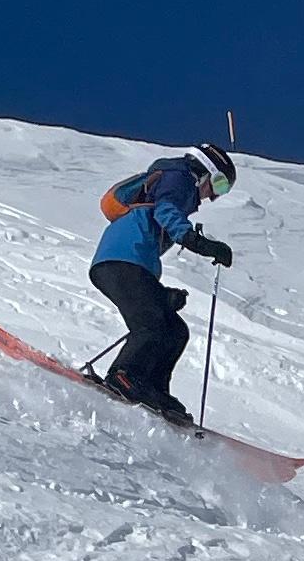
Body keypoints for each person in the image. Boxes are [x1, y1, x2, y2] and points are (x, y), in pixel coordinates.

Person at [88, 143, 236, 423]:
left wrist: (162, 295)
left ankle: (153, 387)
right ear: (204, 171)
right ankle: (125, 376)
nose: (215, 195)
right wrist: (195, 241)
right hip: (121, 260)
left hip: (131, 265)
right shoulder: (178, 177)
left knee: (175, 330)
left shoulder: (178, 187)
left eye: (223, 190)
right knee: (151, 325)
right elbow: (166, 211)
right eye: (219, 183)